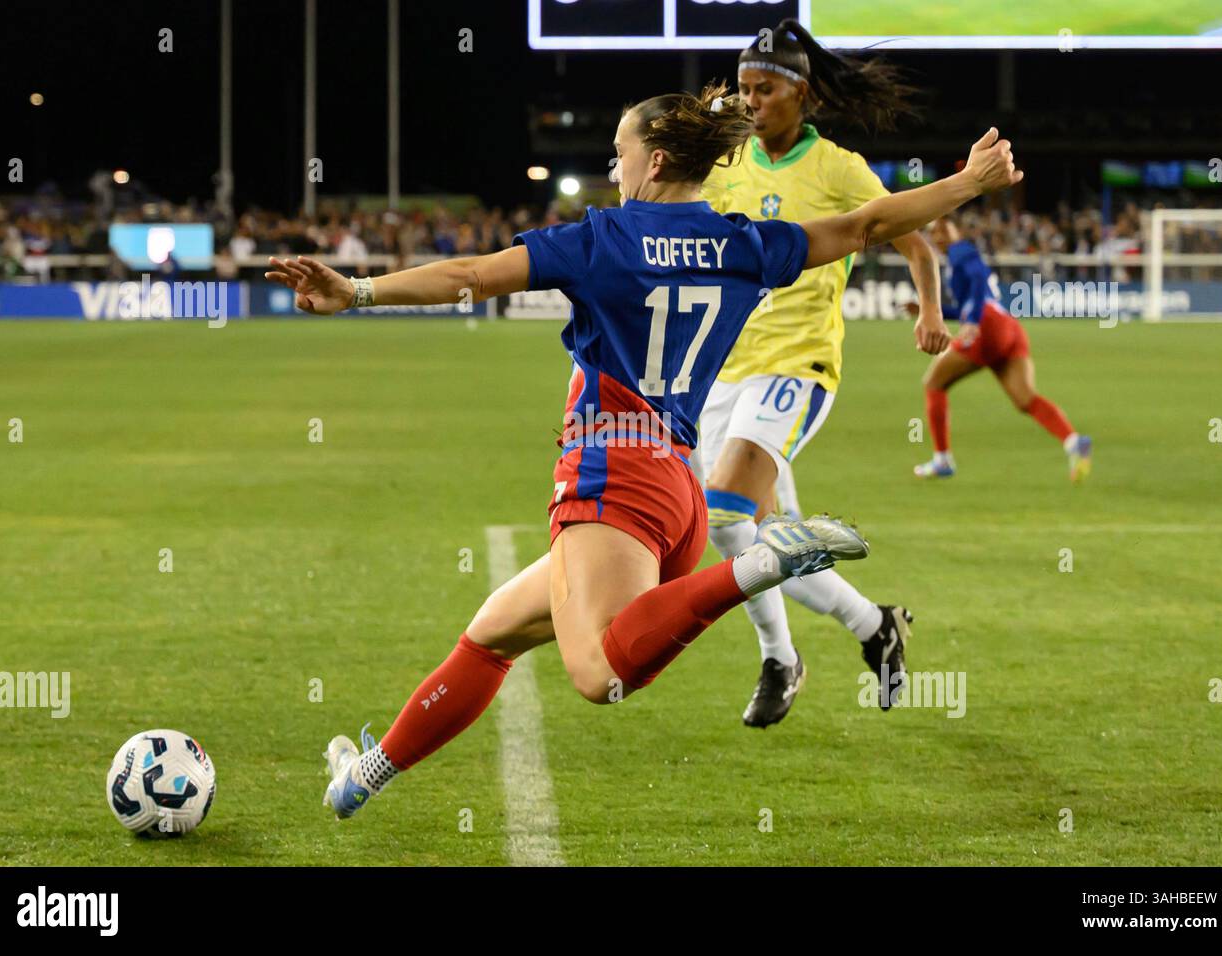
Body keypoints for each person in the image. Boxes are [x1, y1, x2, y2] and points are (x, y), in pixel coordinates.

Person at [264, 84, 1021, 820]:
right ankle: (361, 777)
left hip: (613, 476)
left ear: (655, 160)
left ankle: (758, 563)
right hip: (675, 491)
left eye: (619, 152)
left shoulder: (601, 239)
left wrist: (355, 291)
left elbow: (470, 275)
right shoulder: (742, 243)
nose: (612, 166)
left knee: (598, 676)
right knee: (493, 632)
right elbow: (865, 226)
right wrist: (967, 181)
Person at [698, 19, 950, 726]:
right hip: (725, 371)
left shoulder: (840, 169)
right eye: (744, 88)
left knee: (724, 515)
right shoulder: (727, 166)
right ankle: (873, 626)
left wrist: (928, 312)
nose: (751, 101)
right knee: (763, 539)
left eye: (765, 89)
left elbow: (916, 243)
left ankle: (781, 658)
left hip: (798, 365)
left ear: (801, 93)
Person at [913, 216, 1092, 481]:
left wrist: (973, 322)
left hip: (987, 326)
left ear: (956, 230)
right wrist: (929, 311)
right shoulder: (957, 258)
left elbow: (975, 283)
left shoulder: (961, 251)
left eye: (943, 228)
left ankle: (942, 460)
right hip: (1007, 326)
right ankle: (1073, 441)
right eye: (933, 231)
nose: (938, 234)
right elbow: (972, 301)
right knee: (1025, 399)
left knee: (934, 383)